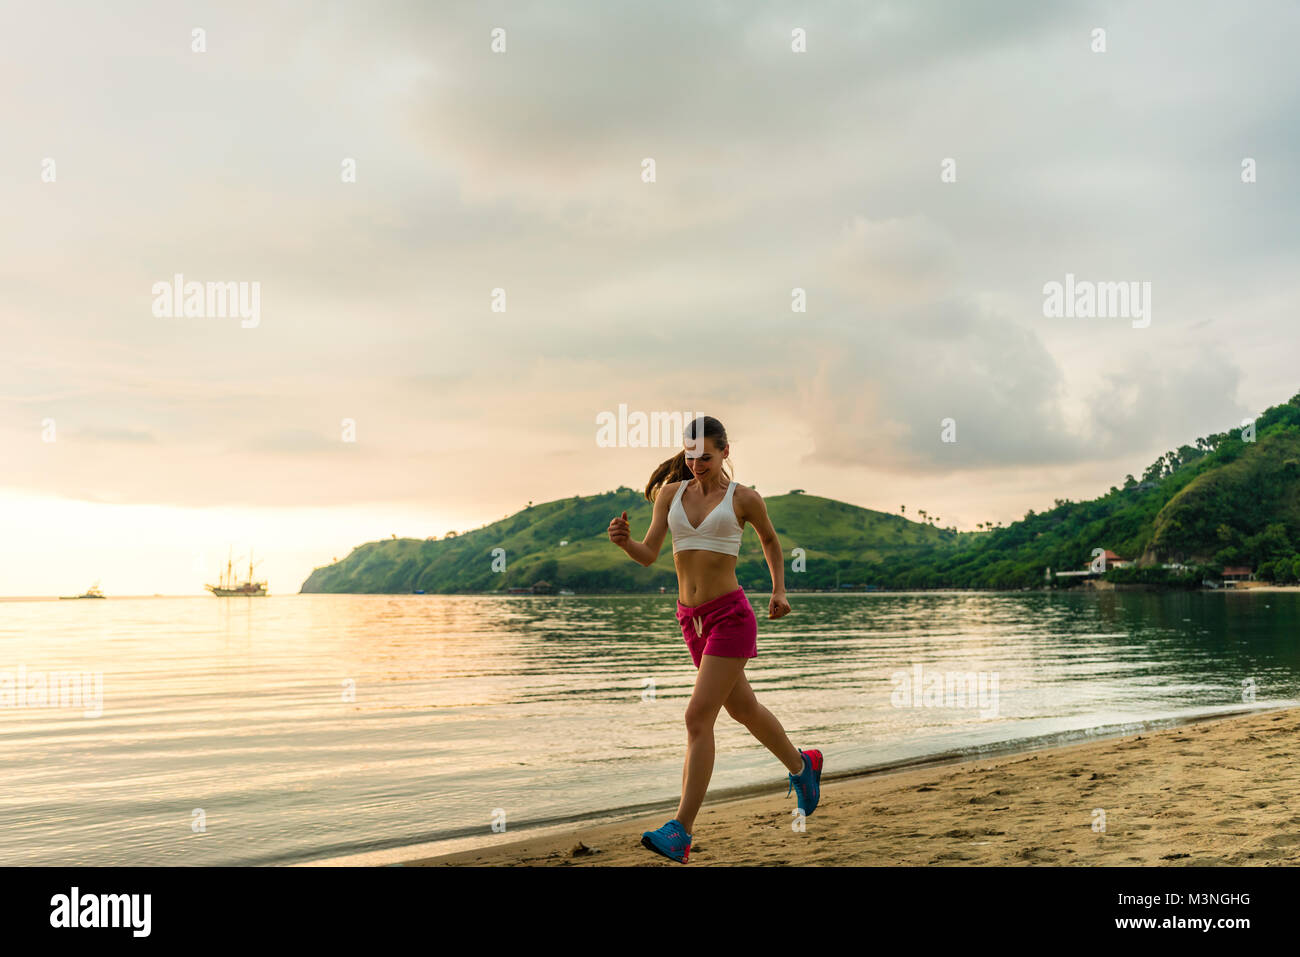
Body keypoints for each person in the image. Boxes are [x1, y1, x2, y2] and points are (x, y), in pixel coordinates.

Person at [607, 414, 823, 863]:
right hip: (692, 621)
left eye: (706, 456)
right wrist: (625, 543)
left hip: (731, 617)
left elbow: (770, 541)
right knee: (743, 709)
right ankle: (803, 767)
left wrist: (779, 590)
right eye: (690, 457)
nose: (698, 464)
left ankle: (680, 831)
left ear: (725, 451)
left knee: (696, 717)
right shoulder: (670, 495)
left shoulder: (743, 499)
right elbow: (649, 555)